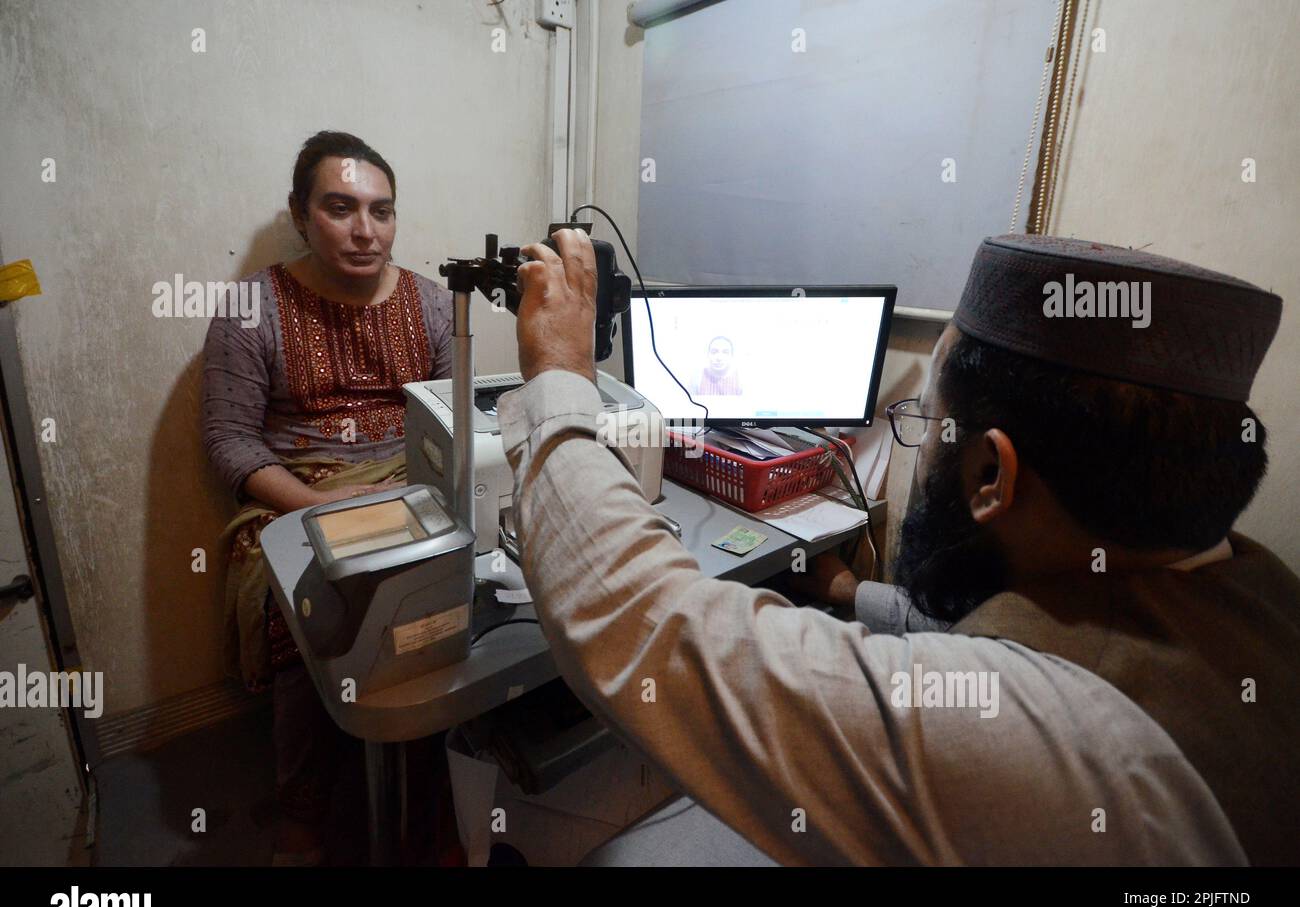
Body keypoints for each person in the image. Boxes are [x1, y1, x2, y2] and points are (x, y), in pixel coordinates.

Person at [496, 229, 1300, 865]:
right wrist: (848, 594)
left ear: (991, 474)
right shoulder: (1256, 597)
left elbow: (644, 625)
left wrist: (558, 377)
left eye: (925, 427)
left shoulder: (1032, 738)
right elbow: (1002, 627)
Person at [202, 131, 452, 864]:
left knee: (442, 596)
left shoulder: (433, 305)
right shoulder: (253, 307)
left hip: (409, 493)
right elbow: (229, 444)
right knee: (312, 604)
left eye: (381, 210)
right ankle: (303, 818)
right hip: (294, 502)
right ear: (301, 214)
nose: (364, 230)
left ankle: (434, 807)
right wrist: (326, 517)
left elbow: (454, 424)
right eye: (340, 208)